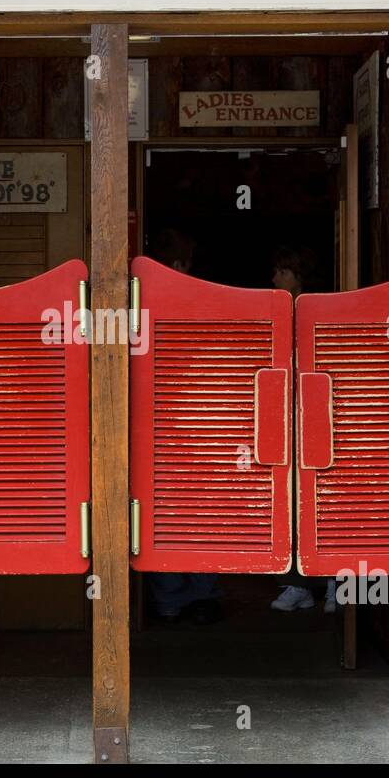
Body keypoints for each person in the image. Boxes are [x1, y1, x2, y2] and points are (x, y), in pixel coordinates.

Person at [145, 228, 224, 625]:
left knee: (165, 509)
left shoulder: (143, 300)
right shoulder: (195, 301)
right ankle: (202, 591)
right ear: (178, 265)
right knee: (202, 509)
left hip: (159, 424)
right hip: (194, 422)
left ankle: (171, 598)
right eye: (187, 263)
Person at [267, 246, 338, 615]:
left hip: (321, 420)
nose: (275, 278)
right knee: (288, 507)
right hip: (281, 423)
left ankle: (333, 584)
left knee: (326, 506)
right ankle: (298, 586)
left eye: (282, 272)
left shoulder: (323, 310)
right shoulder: (270, 313)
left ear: (299, 278)